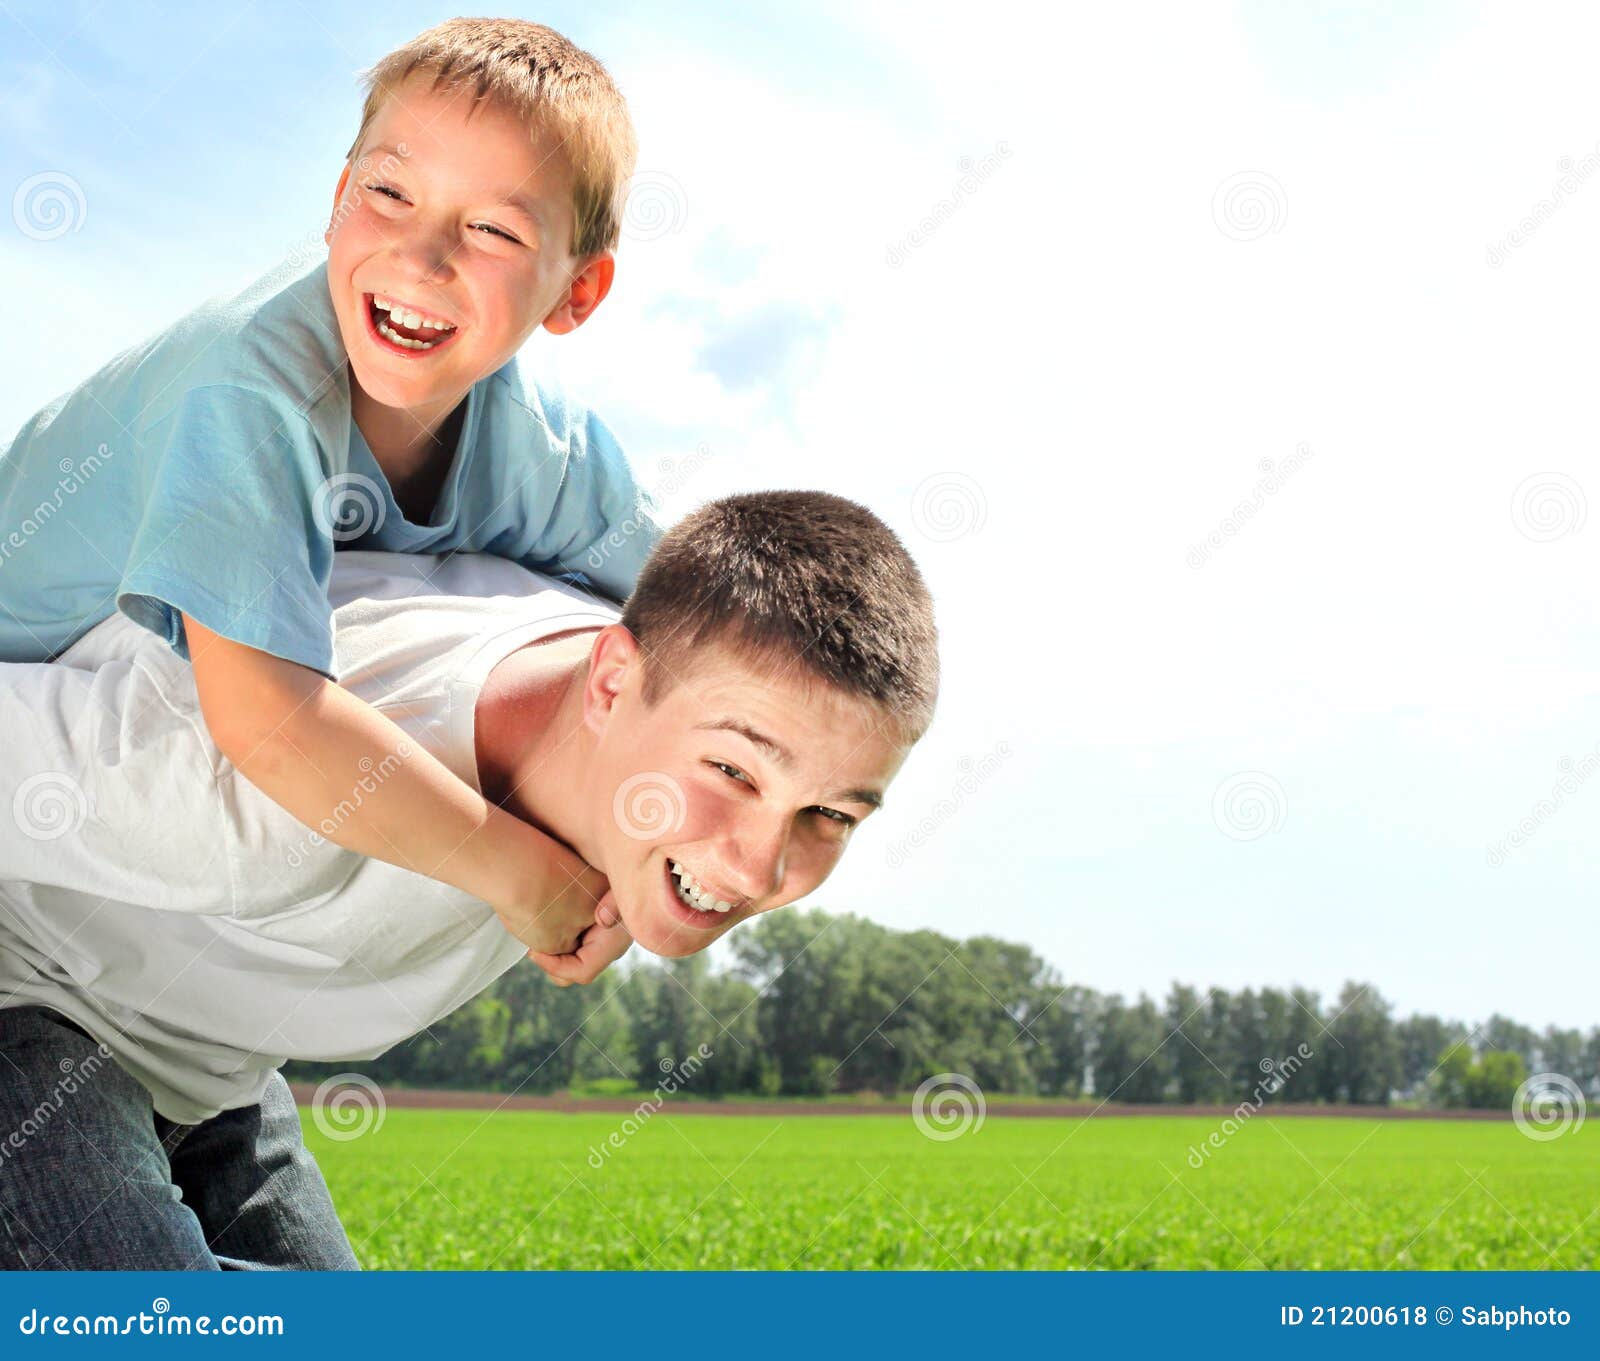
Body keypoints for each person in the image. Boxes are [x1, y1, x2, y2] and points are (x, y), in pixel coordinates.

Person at [0, 491, 939, 1270]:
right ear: (610, 685)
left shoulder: (627, 645)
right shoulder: (255, 789)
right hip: (26, 999)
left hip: (211, 1060)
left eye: (831, 816)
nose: (754, 866)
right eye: (733, 773)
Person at [0, 18, 656, 972]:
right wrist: (525, 873)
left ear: (578, 291)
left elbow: (687, 627)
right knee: (276, 821)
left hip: (117, 754)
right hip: (33, 678)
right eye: (389, 193)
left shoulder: (547, 450)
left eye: (494, 230)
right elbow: (270, 723)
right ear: (339, 198)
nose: (423, 257)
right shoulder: (250, 386)